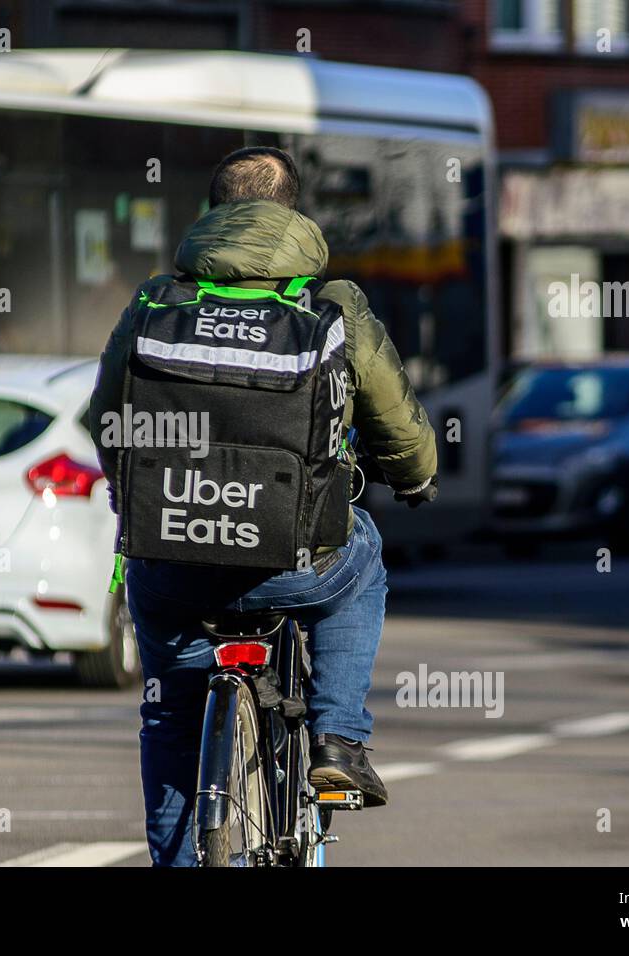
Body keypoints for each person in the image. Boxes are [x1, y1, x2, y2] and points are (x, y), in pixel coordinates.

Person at [88, 146, 438, 866]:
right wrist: (416, 478)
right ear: (292, 213)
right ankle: (338, 740)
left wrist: (136, 504)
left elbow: (106, 419)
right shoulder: (332, 307)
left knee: (171, 720)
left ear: (214, 214)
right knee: (362, 553)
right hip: (298, 560)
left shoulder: (156, 302)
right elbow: (399, 428)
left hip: (174, 559)